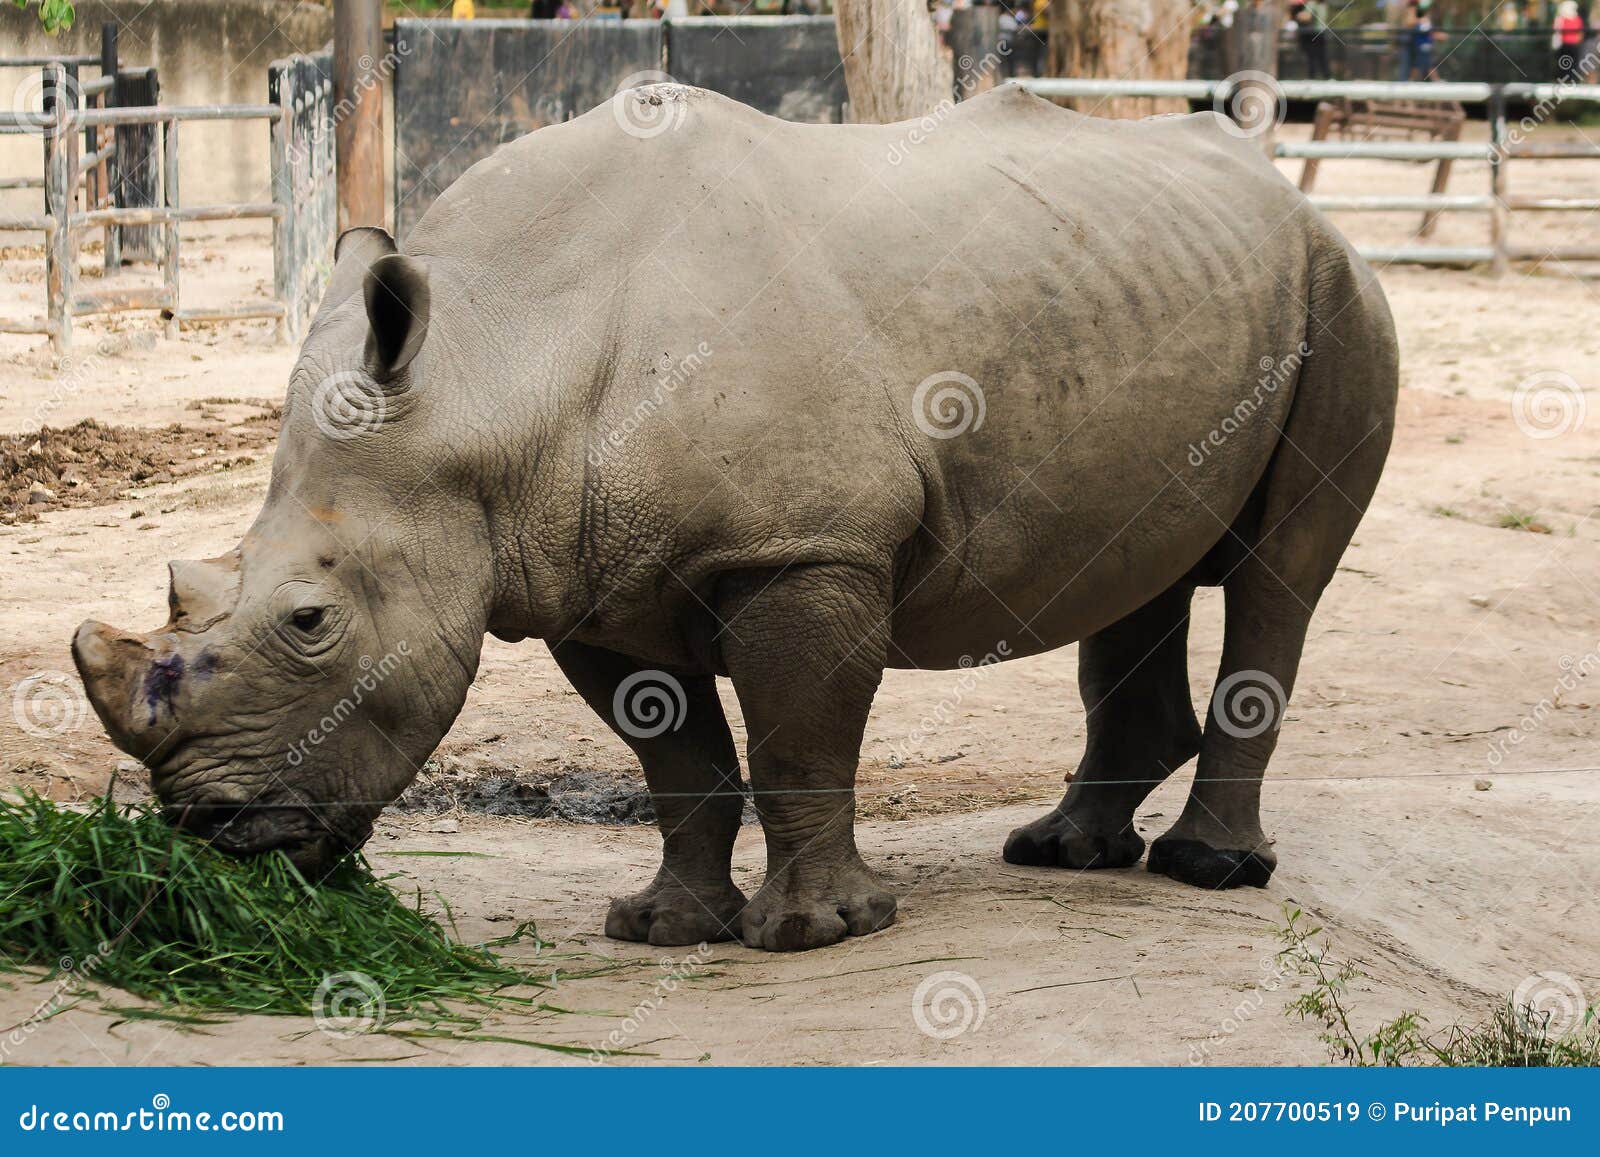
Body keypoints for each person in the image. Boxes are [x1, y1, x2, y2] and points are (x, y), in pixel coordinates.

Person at [1295, 0, 1331, 80]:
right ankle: (1326, 76)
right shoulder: (1323, 5)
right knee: (1321, 55)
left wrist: (1297, 14)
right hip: (1320, 33)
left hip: (1313, 33)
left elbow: (1306, 17)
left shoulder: (1312, 4)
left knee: (1312, 56)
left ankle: (1313, 76)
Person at [1554, 0, 1587, 83]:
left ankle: (1572, 80)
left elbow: (1580, 33)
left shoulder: (1576, 19)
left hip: (1573, 46)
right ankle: (1564, 79)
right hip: (1565, 45)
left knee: (1572, 63)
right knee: (1564, 64)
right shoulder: (1561, 19)